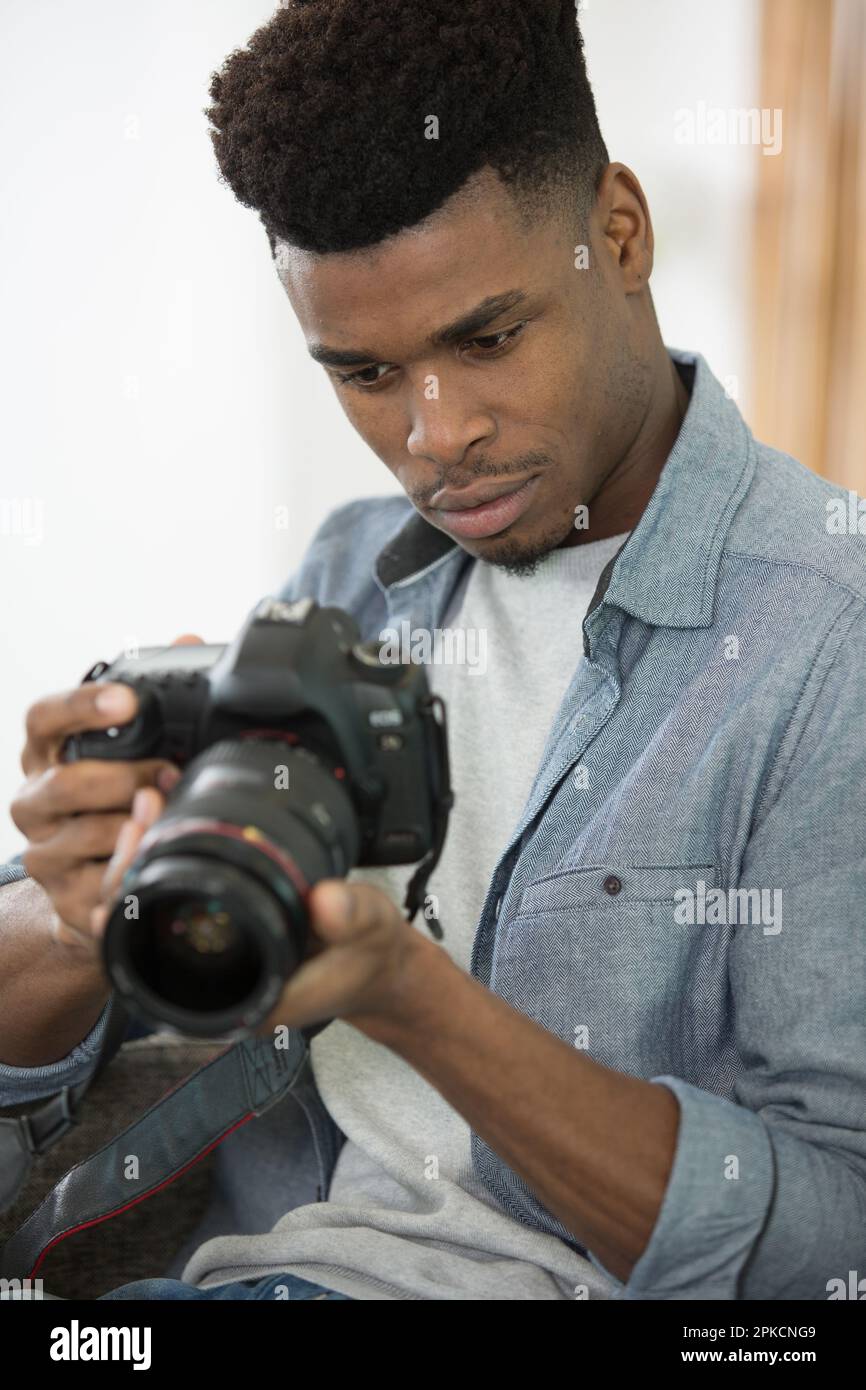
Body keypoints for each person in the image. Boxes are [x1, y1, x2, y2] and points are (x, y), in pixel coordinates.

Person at [1, 0, 864, 1302]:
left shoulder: (823, 639)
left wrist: (414, 997)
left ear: (617, 234)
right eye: (361, 371)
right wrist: (82, 919)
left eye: (486, 337)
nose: (432, 434)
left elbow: (835, 1239)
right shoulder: (350, 576)